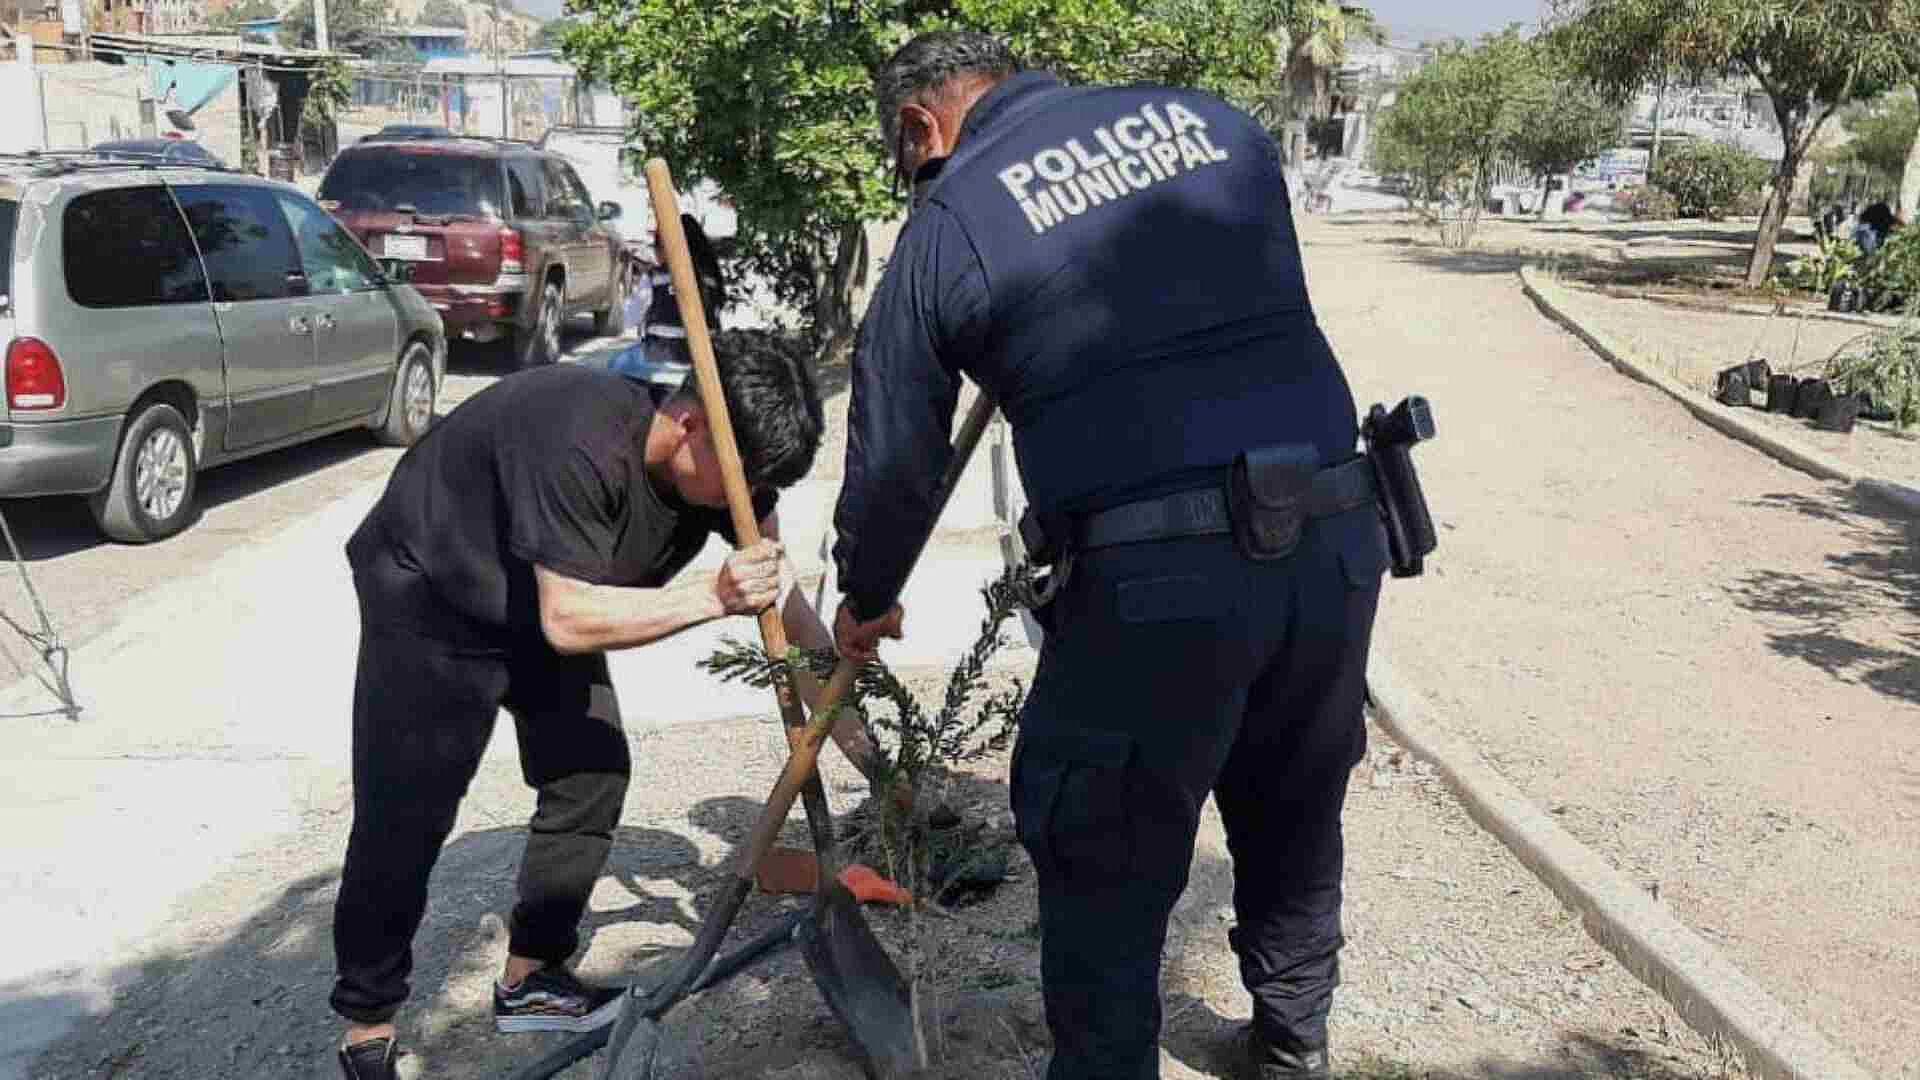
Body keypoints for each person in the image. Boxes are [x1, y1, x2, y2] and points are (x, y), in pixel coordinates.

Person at [831, 32, 1392, 1080]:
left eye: (906, 162)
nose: (913, 181)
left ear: (920, 127)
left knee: (1102, 844)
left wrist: (863, 594)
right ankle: (1291, 1044)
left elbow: (895, 449)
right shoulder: (1215, 124)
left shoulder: (953, 215)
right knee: (1292, 801)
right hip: (1337, 537)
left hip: (1158, 584)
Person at [330, 332, 880, 1080]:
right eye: (743, 476)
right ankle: (368, 1023)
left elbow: (793, 620)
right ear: (689, 425)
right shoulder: (577, 440)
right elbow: (568, 621)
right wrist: (709, 596)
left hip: (549, 589)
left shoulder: (730, 484)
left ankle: (531, 978)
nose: (745, 498)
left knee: (590, 770)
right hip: (433, 587)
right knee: (409, 807)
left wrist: (877, 764)